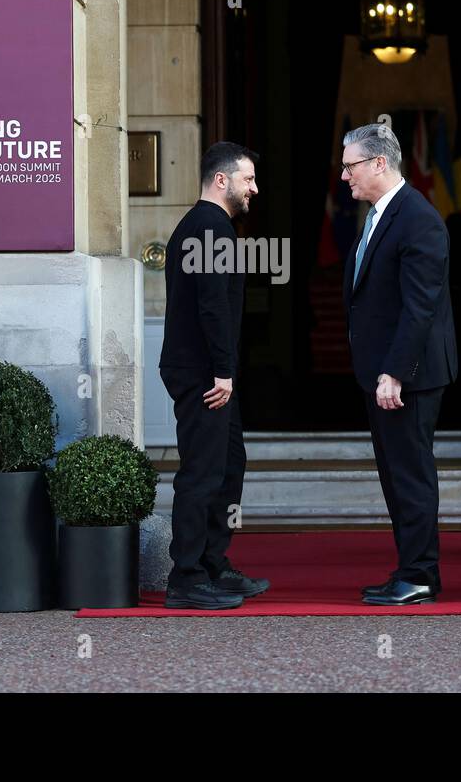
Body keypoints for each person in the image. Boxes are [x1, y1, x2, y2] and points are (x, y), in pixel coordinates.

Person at [341, 122, 457, 606]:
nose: (344, 176)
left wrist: (394, 372)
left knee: (410, 473)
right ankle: (409, 569)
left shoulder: (418, 219)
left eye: (350, 166)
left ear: (379, 163)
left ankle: (421, 575)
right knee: (395, 473)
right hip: (384, 374)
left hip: (409, 376)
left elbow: (420, 307)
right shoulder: (378, 215)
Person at [159, 141, 267, 610]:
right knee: (202, 473)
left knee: (228, 466)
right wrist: (223, 371)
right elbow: (212, 306)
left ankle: (211, 565)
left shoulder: (210, 225)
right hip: (204, 374)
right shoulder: (208, 227)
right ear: (221, 180)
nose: (254, 189)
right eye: (248, 180)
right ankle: (185, 577)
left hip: (212, 372)